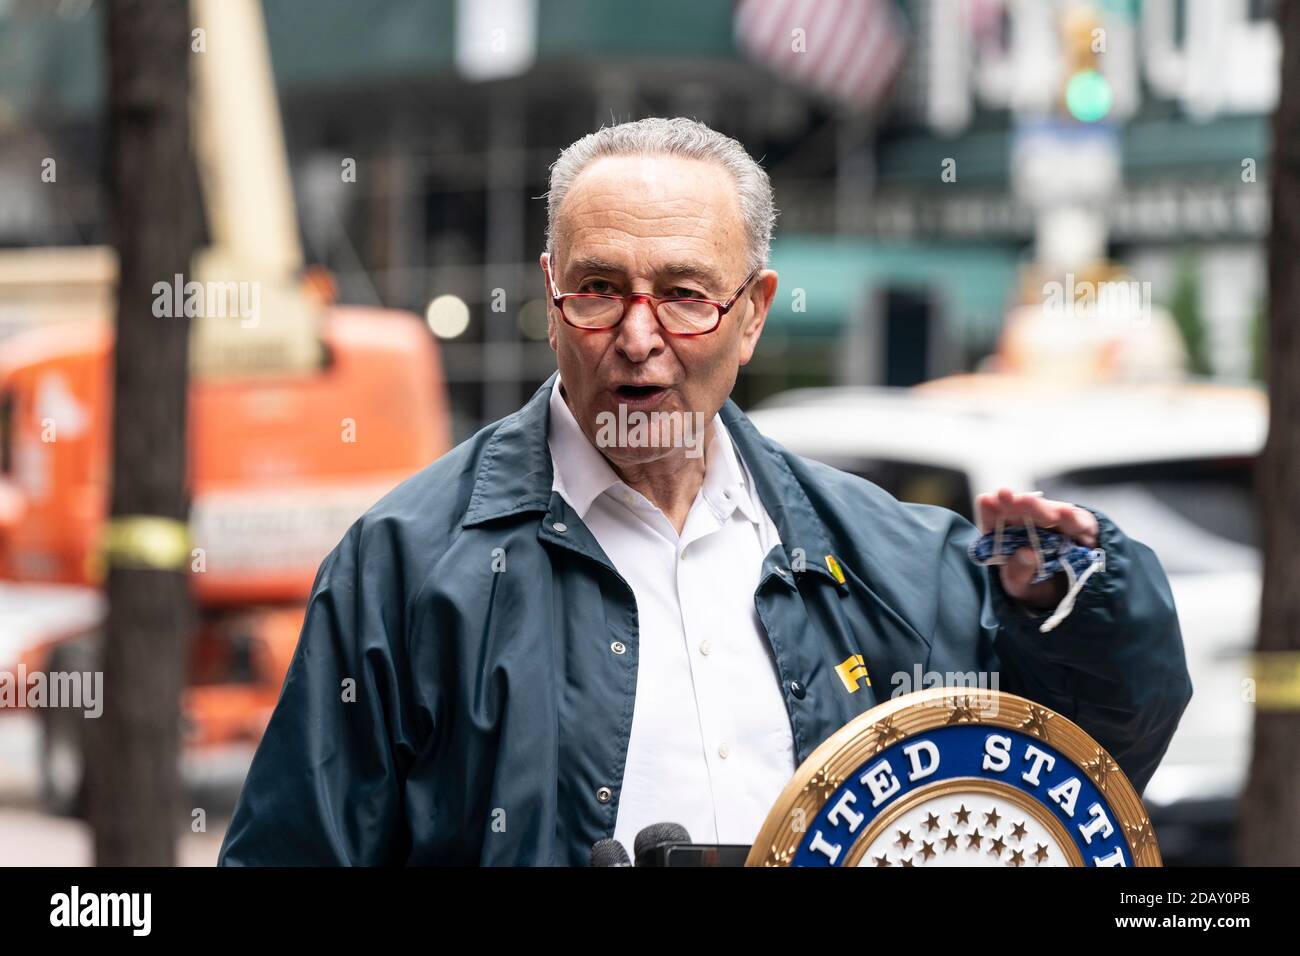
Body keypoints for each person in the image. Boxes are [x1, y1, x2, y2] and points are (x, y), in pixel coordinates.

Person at [218, 117, 1190, 866]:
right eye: (600, 289)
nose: (638, 336)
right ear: (551, 297)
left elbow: (1075, 778)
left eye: (684, 293)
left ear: (753, 312)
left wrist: (1070, 595)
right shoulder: (404, 566)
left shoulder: (890, 561)